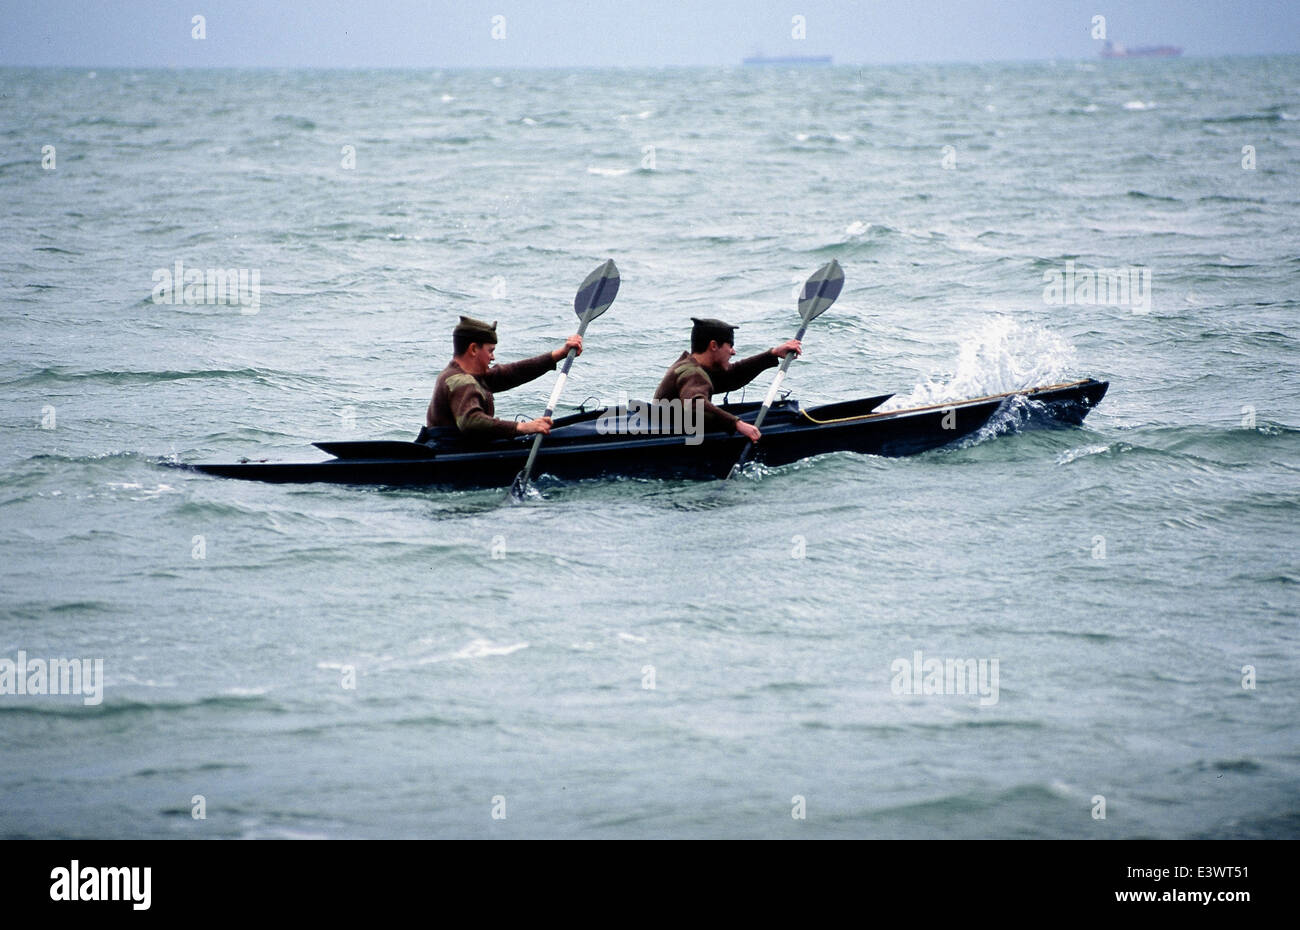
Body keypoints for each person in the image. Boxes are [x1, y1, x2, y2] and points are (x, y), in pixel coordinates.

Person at [422, 316, 582, 442]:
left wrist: (560, 354)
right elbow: (471, 421)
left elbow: (511, 373)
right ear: (473, 349)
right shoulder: (460, 381)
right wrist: (522, 427)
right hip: (451, 451)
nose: (493, 357)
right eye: (490, 351)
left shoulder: (470, 375)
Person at [653, 317, 800, 442]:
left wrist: (773, 354)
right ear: (714, 346)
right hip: (663, 440)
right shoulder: (693, 373)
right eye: (730, 346)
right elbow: (694, 405)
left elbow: (733, 376)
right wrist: (737, 424)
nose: (733, 352)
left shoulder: (693, 366)